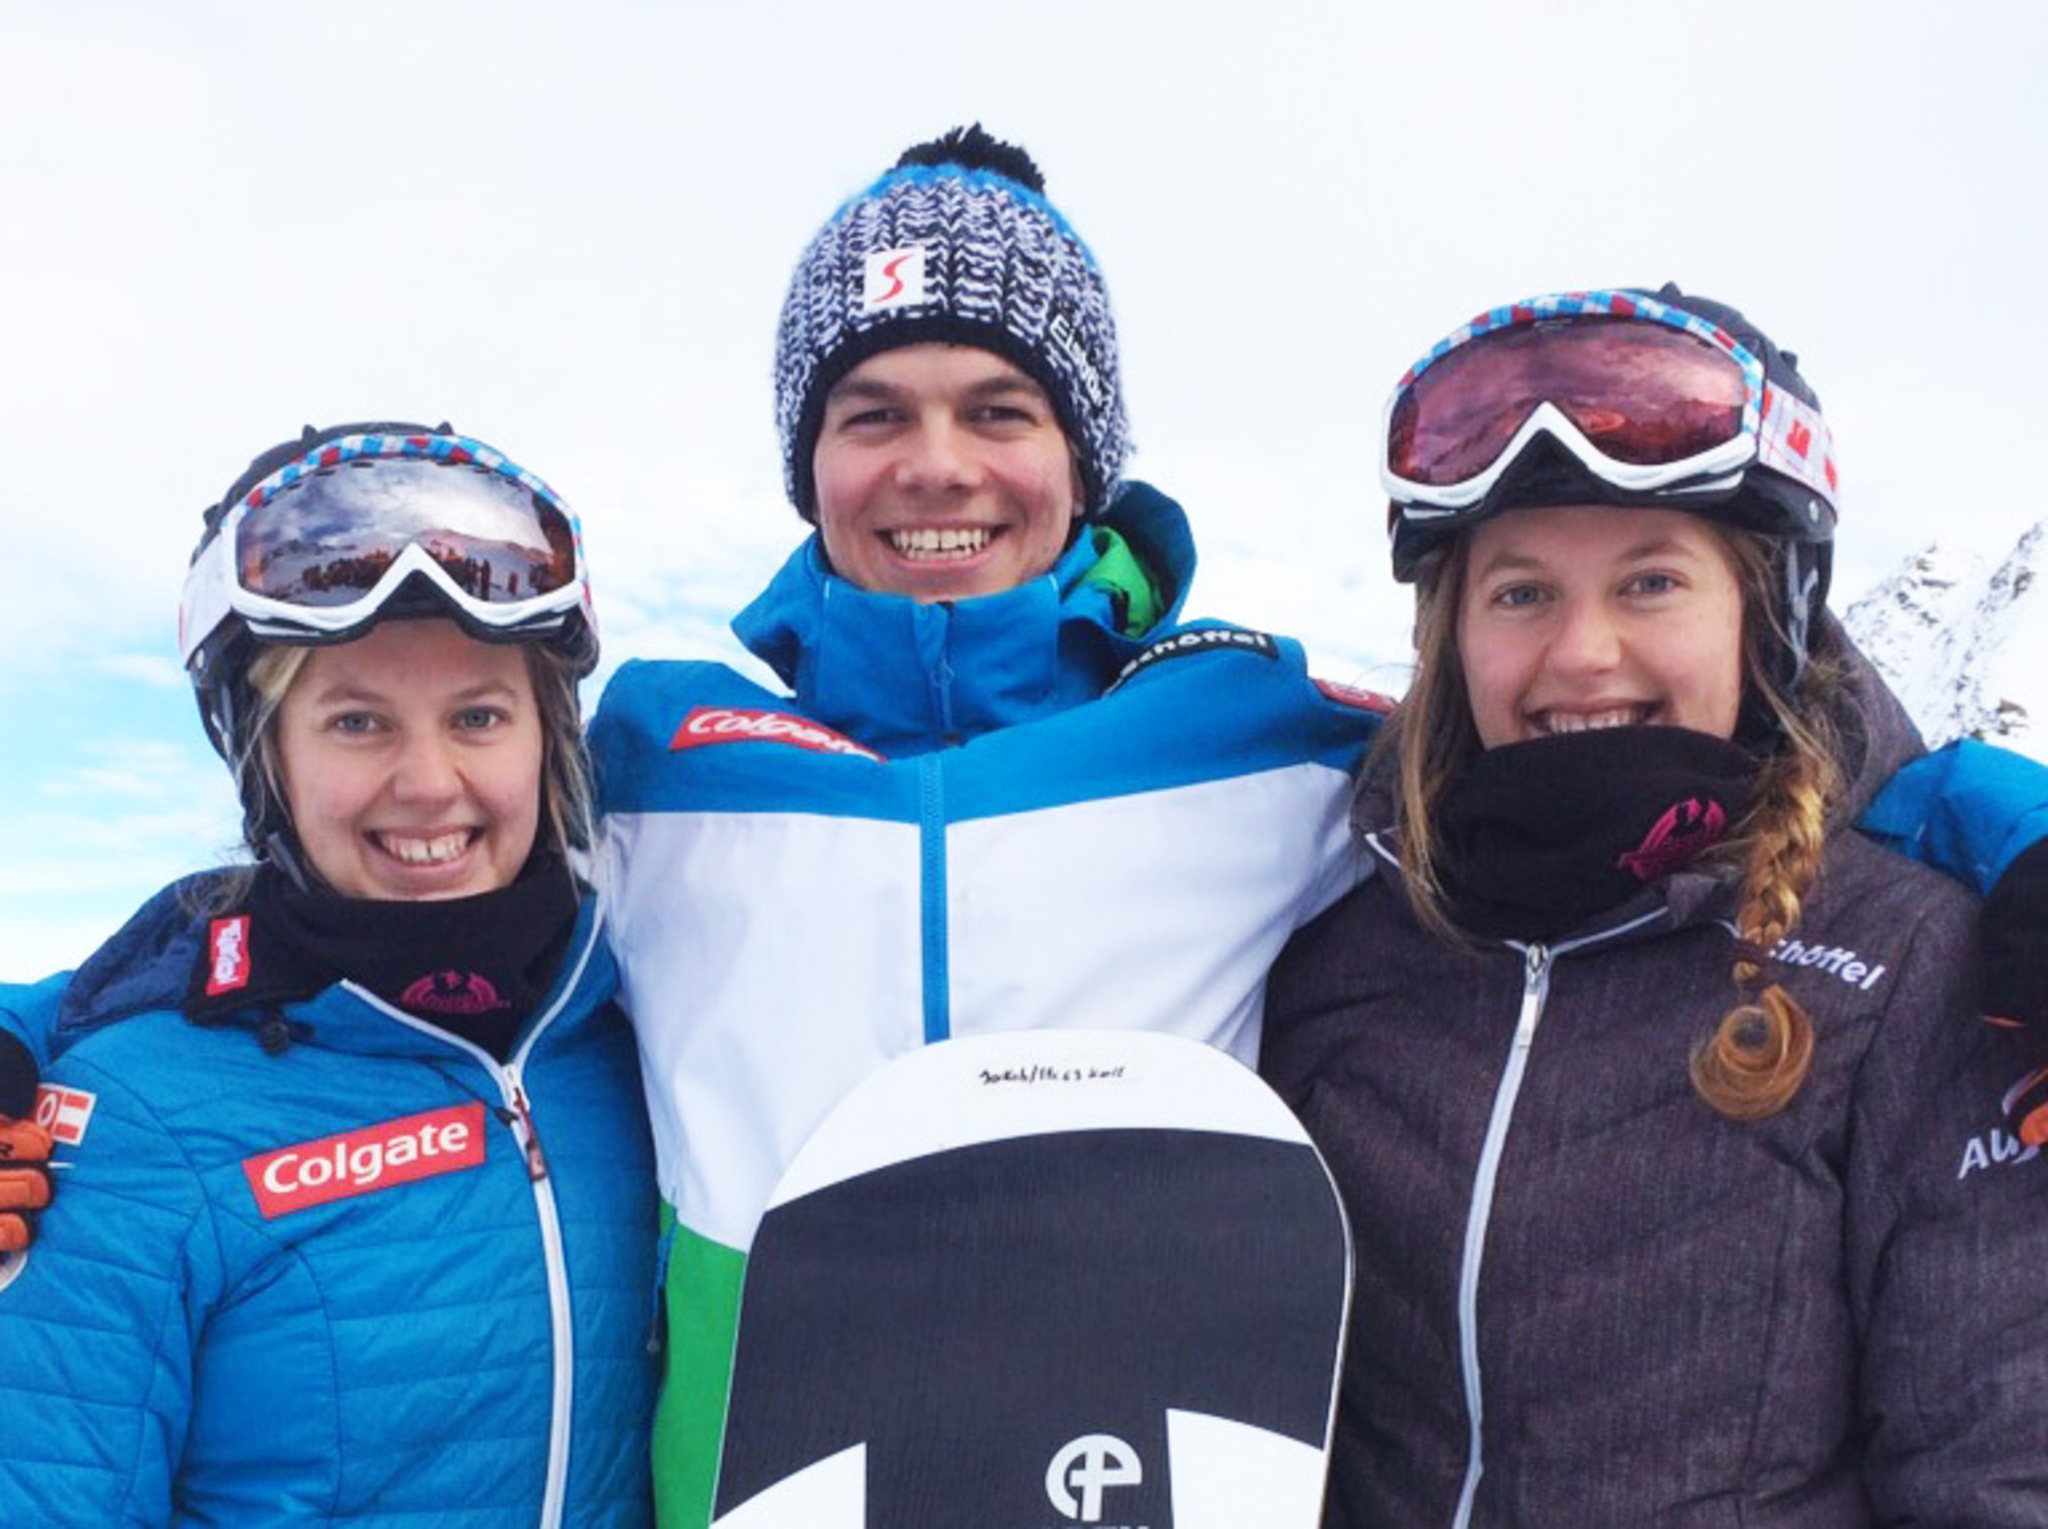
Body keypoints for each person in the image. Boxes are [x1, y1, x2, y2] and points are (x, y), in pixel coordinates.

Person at [587, 132, 2048, 1527]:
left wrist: (1996, 820)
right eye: (873, 414)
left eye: (999, 409)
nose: (937, 465)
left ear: (1082, 458)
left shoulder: (1256, 739)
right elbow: (430, 873)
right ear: (806, 458)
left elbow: (1709, 750)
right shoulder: (660, 763)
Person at [1258, 287, 2048, 1525]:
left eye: (1649, 584)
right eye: (1518, 592)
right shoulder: (1341, 948)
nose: (1580, 653)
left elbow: (1990, 1462)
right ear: (1449, 636)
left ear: (1766, 621)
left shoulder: (1901, 963)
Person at [0, 425, 659, 1525]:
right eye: (355, 720)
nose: (427, 781)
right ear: (269, 755)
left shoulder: (642, 1028)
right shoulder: (140, 1115)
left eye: (479, 716)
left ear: (548, 737)